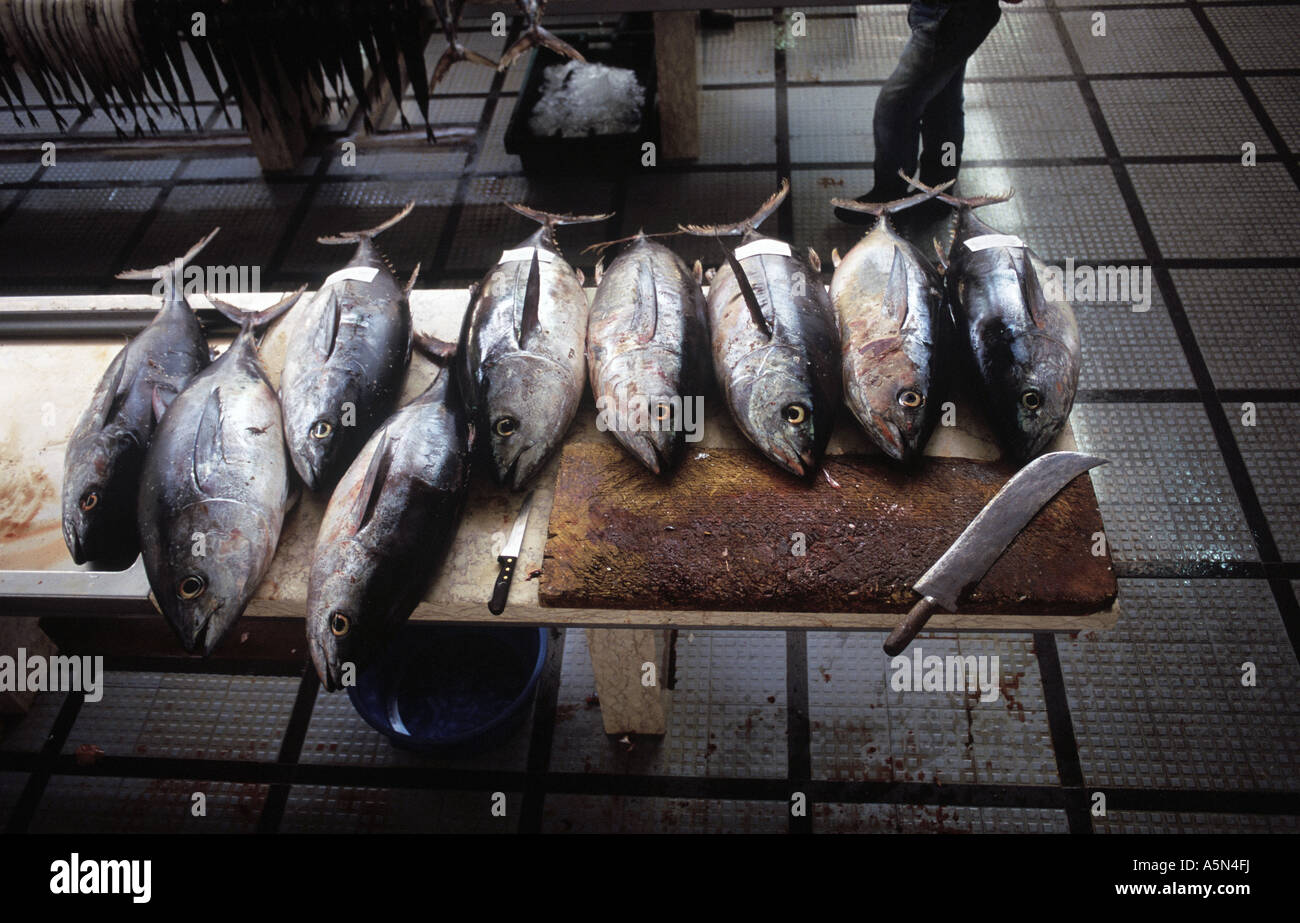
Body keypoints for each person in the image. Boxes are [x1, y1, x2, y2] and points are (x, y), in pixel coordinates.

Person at [835, 0, 1013, 225]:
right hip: (956, 15)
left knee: (895, 108)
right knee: (943, 102)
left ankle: (890, 198)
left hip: (950, 17)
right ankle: (939, 194)